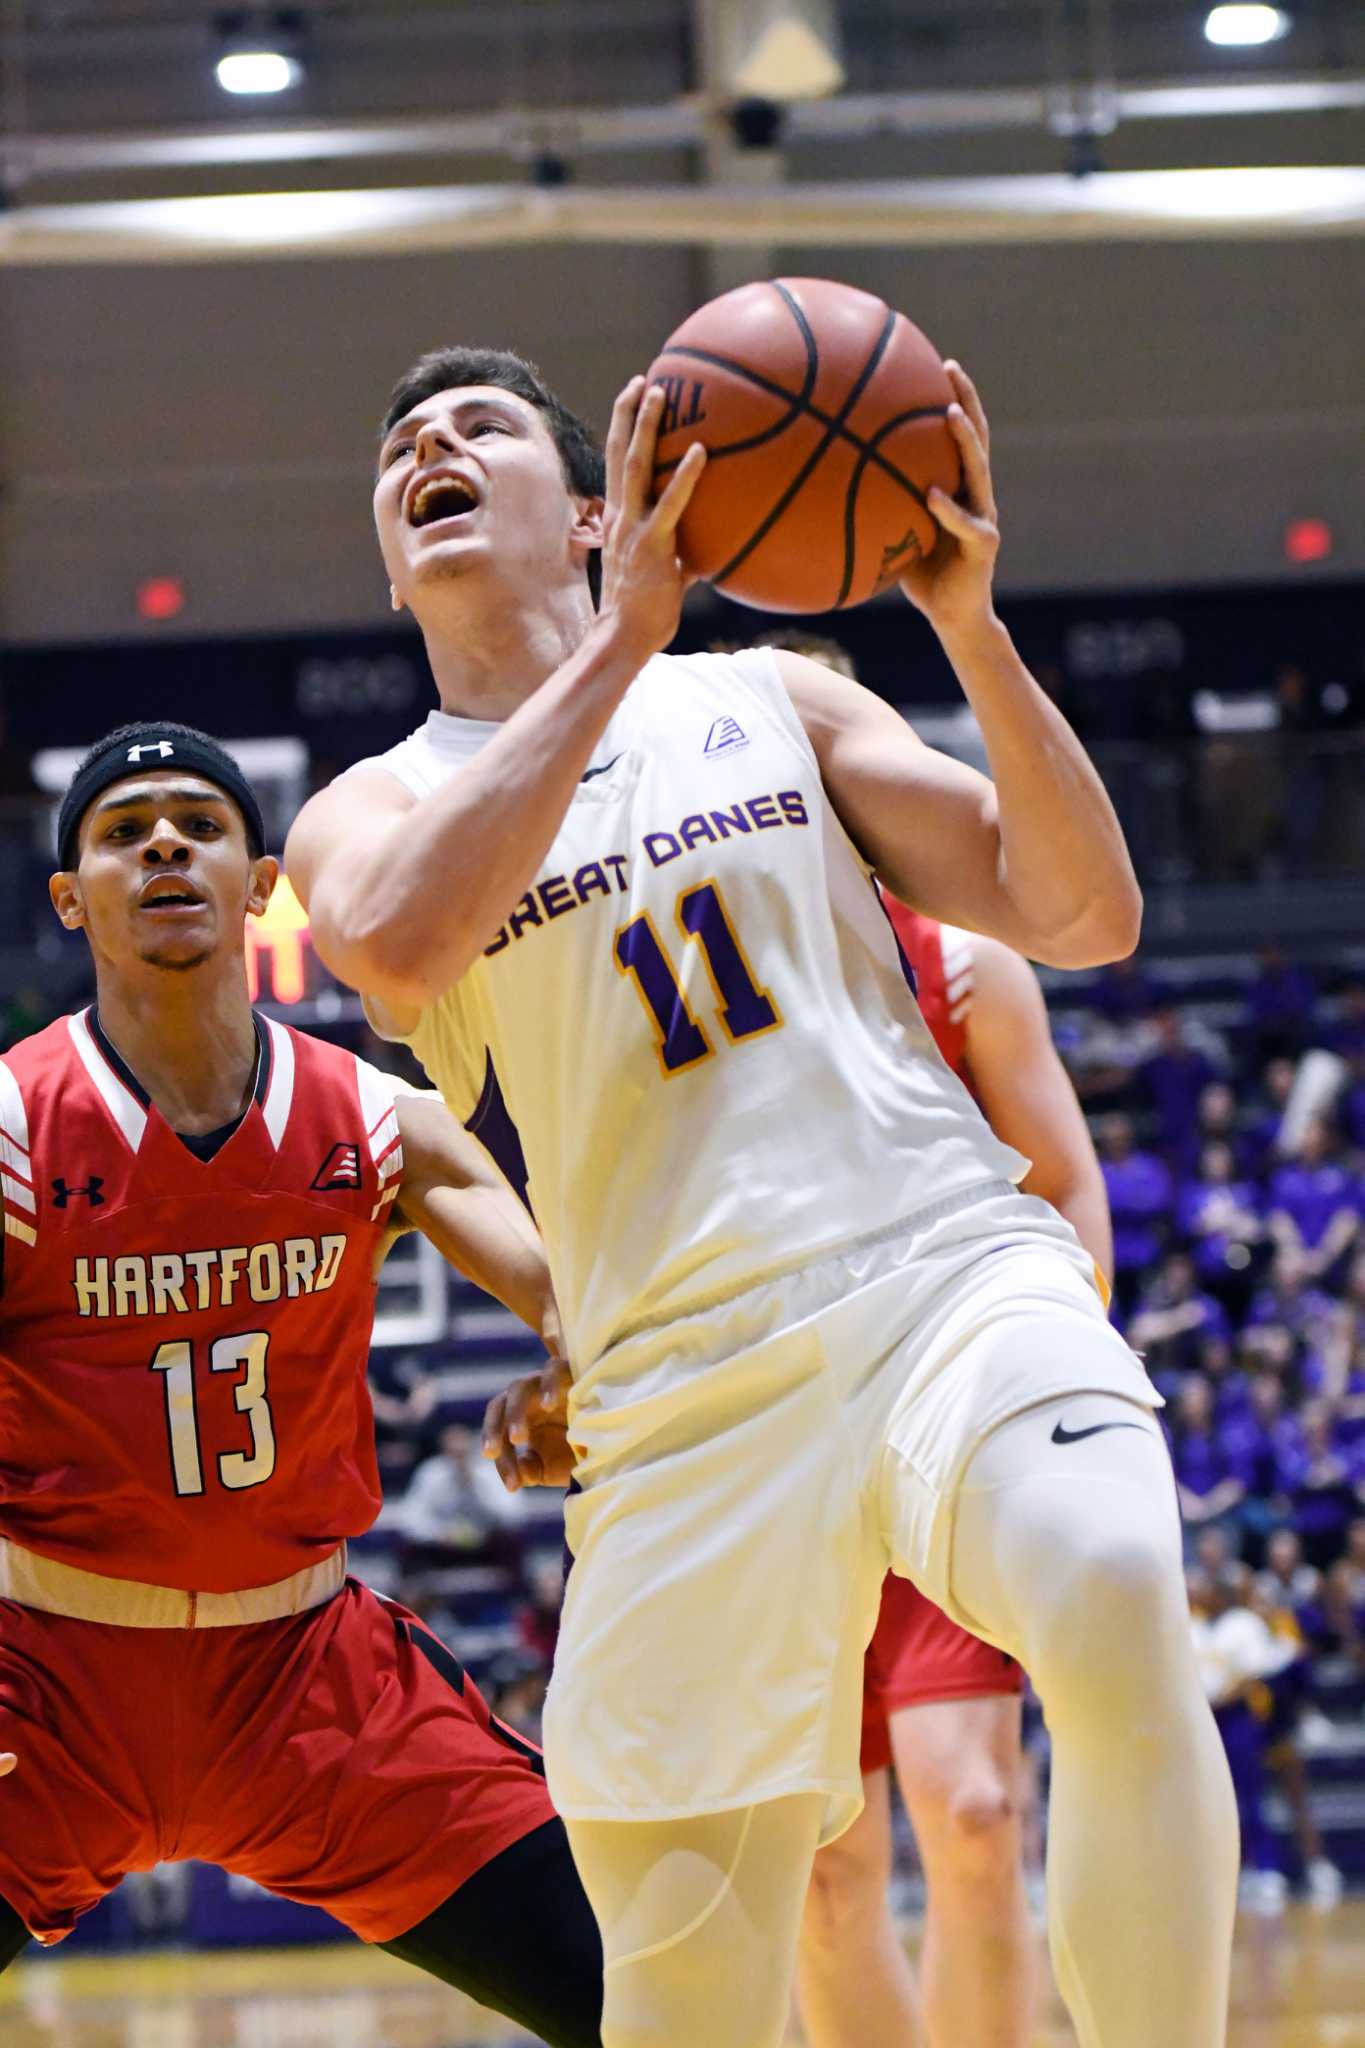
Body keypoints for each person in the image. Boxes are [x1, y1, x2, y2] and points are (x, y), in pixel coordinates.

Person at [287, 347, 1237, 2048]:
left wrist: (971, 624)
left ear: (596, 509)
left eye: (481, 426)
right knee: (683, 1982)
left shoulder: (775, 701)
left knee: (1104, 1568)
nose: (430, 443)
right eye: (401, 447)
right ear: (389, 556)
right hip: (678, 1387)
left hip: (937, 1269)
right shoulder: (368, 806)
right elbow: (405, 939)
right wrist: (625, 640)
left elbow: (1085, 913)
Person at [0, 724, 602, 2048]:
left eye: (198, 824)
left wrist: (576, 1367)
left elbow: (569, 1298)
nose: (164, 843)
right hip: (50, 1680)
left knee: (642, 2001)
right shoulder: (14, 1123)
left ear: (261, 881)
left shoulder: (372, 1117)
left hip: (307, 1685)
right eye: (123, 831)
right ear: (70, 898)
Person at [797, 898, 1113, 2048]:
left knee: (976, 1810)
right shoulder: (697, 950)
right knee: (829, 1864)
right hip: (783, 1451)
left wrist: (1055, 1378)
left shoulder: (967, 963)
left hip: (943, 1424)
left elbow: (1069, 1189)